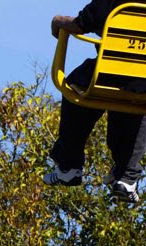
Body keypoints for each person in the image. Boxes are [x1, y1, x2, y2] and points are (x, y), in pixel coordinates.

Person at [45, 1, 146, 203]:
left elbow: (80, 24)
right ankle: (126, 176)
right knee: (135, 107)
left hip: (107, 76)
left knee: (76, 87)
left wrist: (58, 21)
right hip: (143, 82)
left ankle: (69, 165)